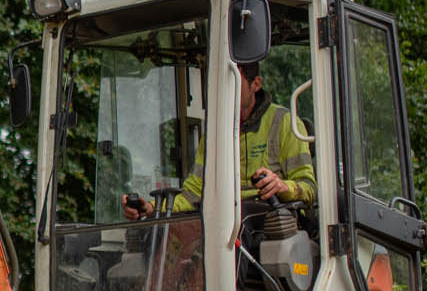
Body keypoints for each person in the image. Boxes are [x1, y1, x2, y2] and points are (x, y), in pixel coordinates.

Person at [120, 60, 313, 219]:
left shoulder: (284, 122)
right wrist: (153, 208)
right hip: (223, 219)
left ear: (256, 84)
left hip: (270, 217)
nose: (226, 92)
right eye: (221, 85)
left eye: (233, 84)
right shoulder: (215, 131)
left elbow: (310, 189)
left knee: (233, 218)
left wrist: (281, 185)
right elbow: (193, 193)